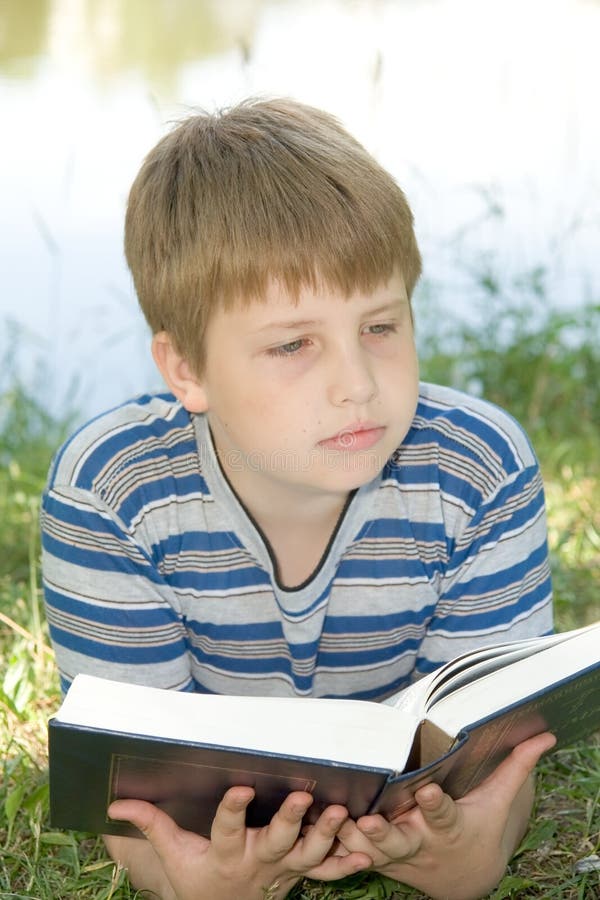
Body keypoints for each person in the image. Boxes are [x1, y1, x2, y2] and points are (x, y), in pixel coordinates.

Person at [41, 97, 556, 900]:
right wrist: (188, 883)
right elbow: (130, 779)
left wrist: (469, 854)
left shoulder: (479, 469)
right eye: (293, 344)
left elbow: (493, 754)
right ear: (187, 372)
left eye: (380, 326)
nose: (357, 385)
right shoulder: (113, 494)